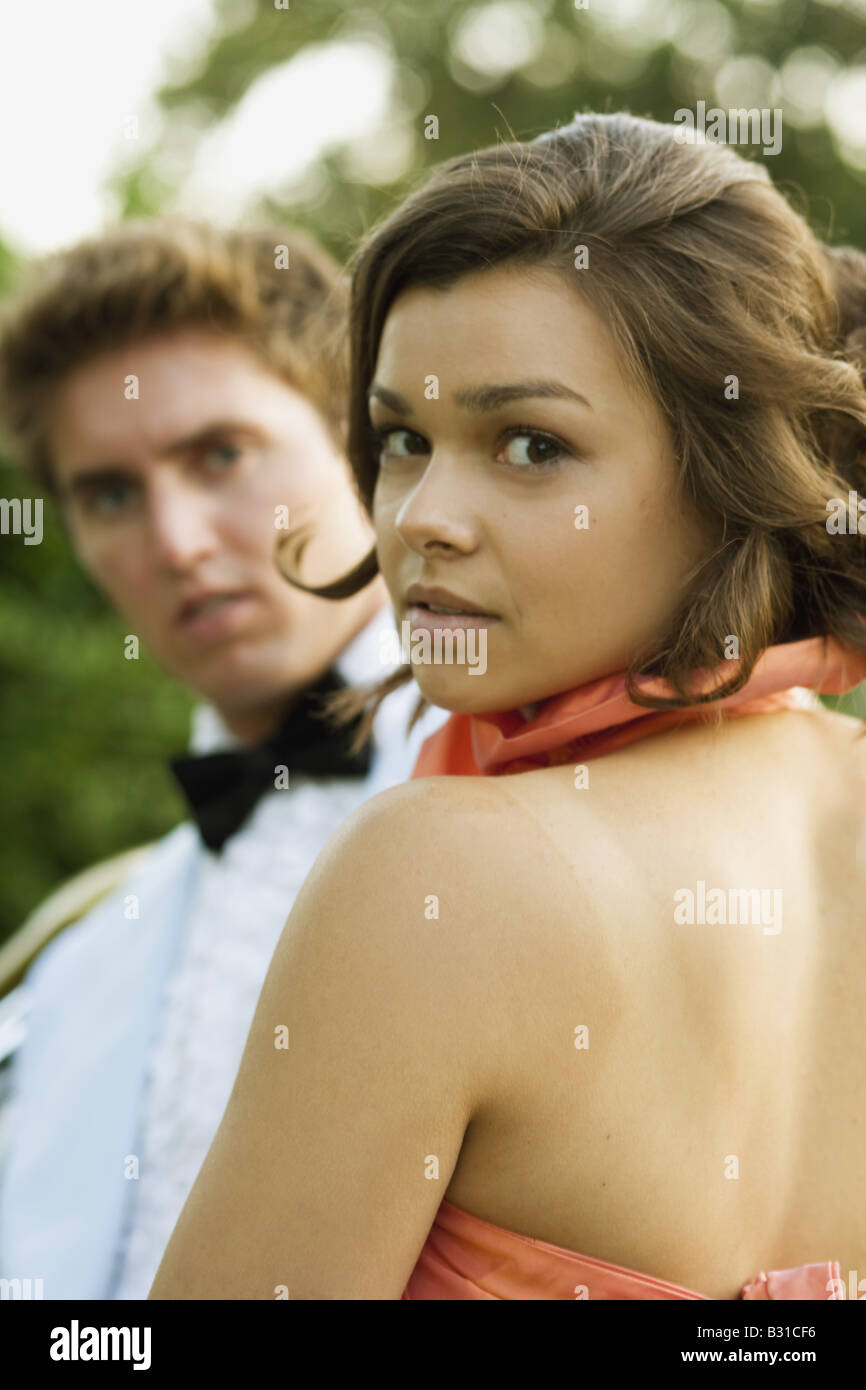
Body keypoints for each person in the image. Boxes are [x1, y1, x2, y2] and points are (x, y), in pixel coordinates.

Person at [149, 113, 866, 1302]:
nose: (422, 513)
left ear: (731, 470)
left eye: (529, 443)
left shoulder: (439, 876)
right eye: (400, 438)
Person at [0, 216, 447, 1299]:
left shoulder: (556, 818)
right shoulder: (67, 960)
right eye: (108, 493)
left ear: (360, 438)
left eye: (221, 455)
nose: (178, 541)